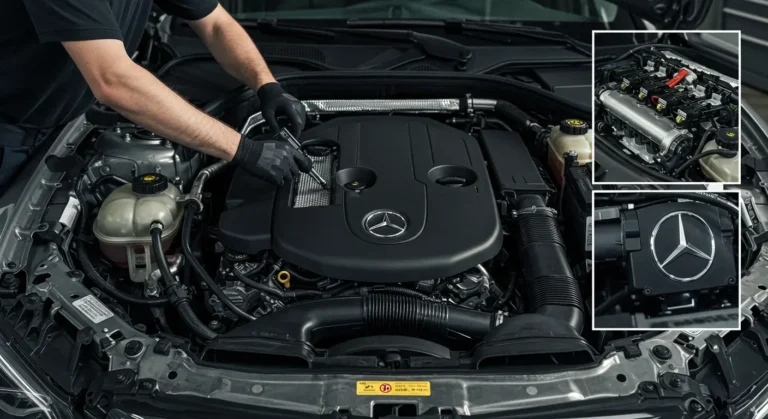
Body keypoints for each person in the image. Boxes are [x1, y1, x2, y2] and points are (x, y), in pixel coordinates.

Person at [0, 0, 311, 190]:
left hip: (68, 121)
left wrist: (266, 85)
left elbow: (215, 24)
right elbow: (114, 80)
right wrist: (243, 149)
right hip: (11, 134)